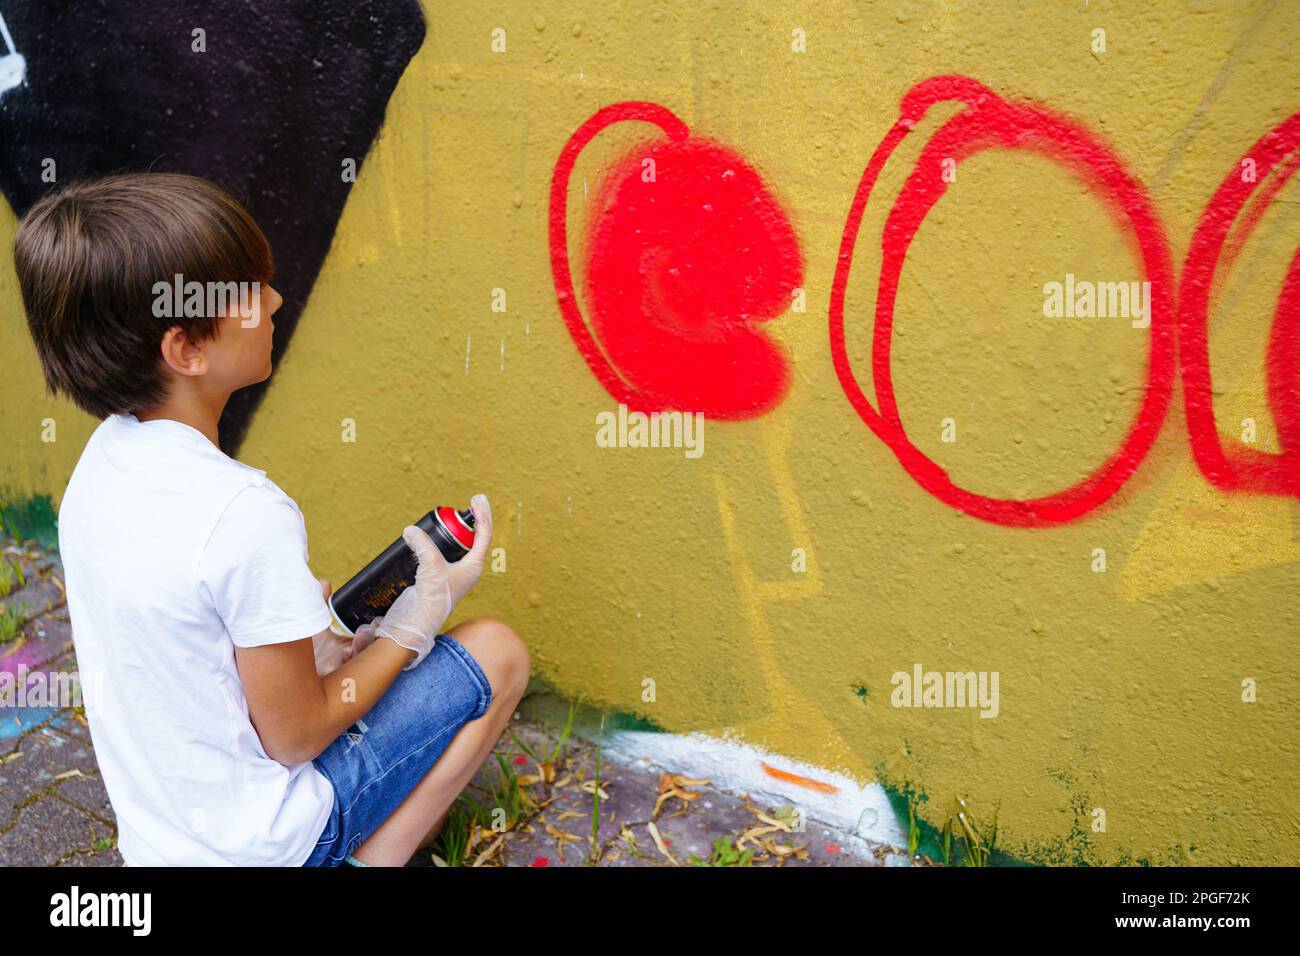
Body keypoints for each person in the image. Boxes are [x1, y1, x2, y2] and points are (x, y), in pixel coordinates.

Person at [12, 171, 530, 866]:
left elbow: (184, 652)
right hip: (264, 845)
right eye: (250, 293)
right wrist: (411, 628)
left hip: (162, 845)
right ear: (186, 349)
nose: (276, 300)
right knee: (498, 650)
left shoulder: (97, 470)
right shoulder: (244, 512)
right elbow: (295, 738)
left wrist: (307, 642)